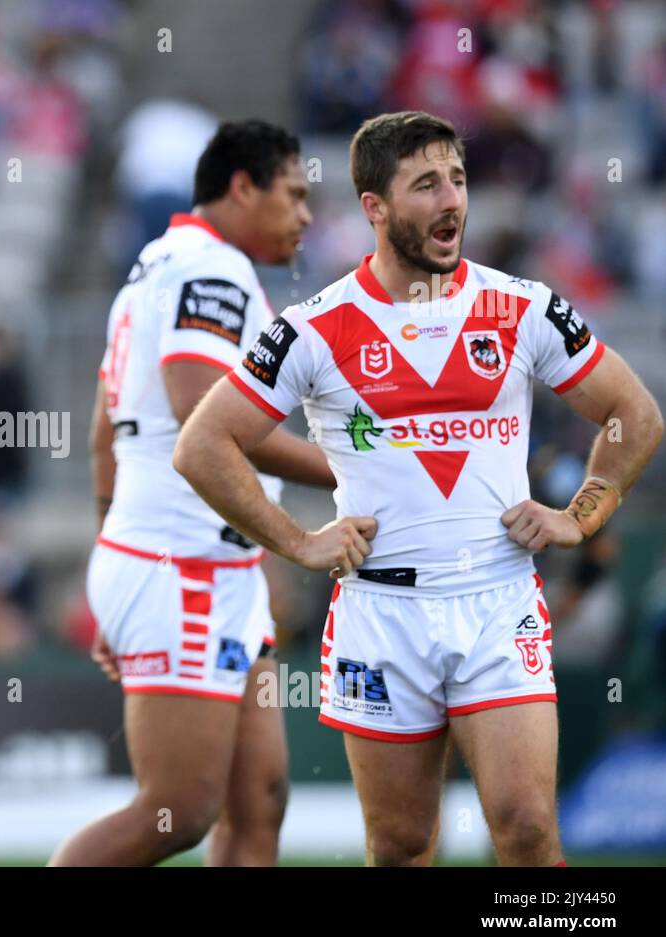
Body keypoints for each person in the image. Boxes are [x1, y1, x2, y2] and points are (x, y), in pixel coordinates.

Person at [175, 111, 664, 866]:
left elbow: (634, 415)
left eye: (460, 180)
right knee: (403, 844)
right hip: (382, 614)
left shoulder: (520, 305)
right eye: (426, 184)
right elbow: (203, 445)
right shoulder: (314, 327)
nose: (452, 202)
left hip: (499, 602)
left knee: (529, 829)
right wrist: (299, 542)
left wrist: (584, 513)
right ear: (374, 207)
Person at [51, 121, 335, 867]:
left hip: (191, 563)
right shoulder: (209, 270)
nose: (306, 216)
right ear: (243, 187)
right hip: (181, 567)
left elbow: (102, 432)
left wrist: (114, 557)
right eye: (295, 195)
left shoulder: (155, 264)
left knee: (259, 804)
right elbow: (202, 419)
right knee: (175, 813)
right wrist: (355, 472)